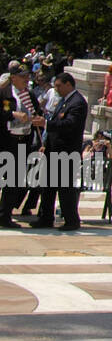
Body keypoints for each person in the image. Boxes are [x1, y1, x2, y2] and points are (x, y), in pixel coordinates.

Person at [30, 73, 88, 231]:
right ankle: (45, 217)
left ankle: (71, 220)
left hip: (66, 152)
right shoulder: (65, 100)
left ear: (68, 84)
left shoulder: (77, 102)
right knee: (47, 186)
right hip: (54, 151)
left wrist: (46, 124)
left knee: (65, 188)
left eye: (59, 86)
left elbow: (70, 124)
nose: (56, 89)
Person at [0, 64, 43, 228]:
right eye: (23, 76)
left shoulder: (29, 95)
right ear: (13, 78)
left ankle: (5, 215)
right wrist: (12, 114)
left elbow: (37, 113)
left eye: (27, 76)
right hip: (5, 141)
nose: (27, 79)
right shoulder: (4, 93)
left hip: (22, 141)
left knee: (14, 180)